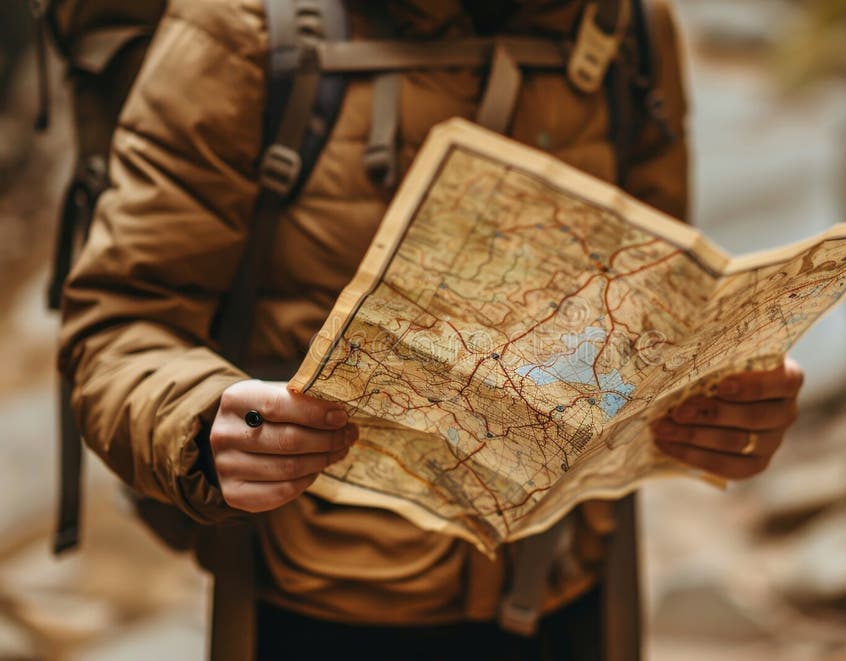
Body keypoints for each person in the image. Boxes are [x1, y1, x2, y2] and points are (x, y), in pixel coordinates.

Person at [57, 0, 804, 659]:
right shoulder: (242, 27)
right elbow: (118, 324)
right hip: (321, 607)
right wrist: (200, 419)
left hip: (570, 590)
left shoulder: (626, 29)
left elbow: (661, 307)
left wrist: (725, 401)